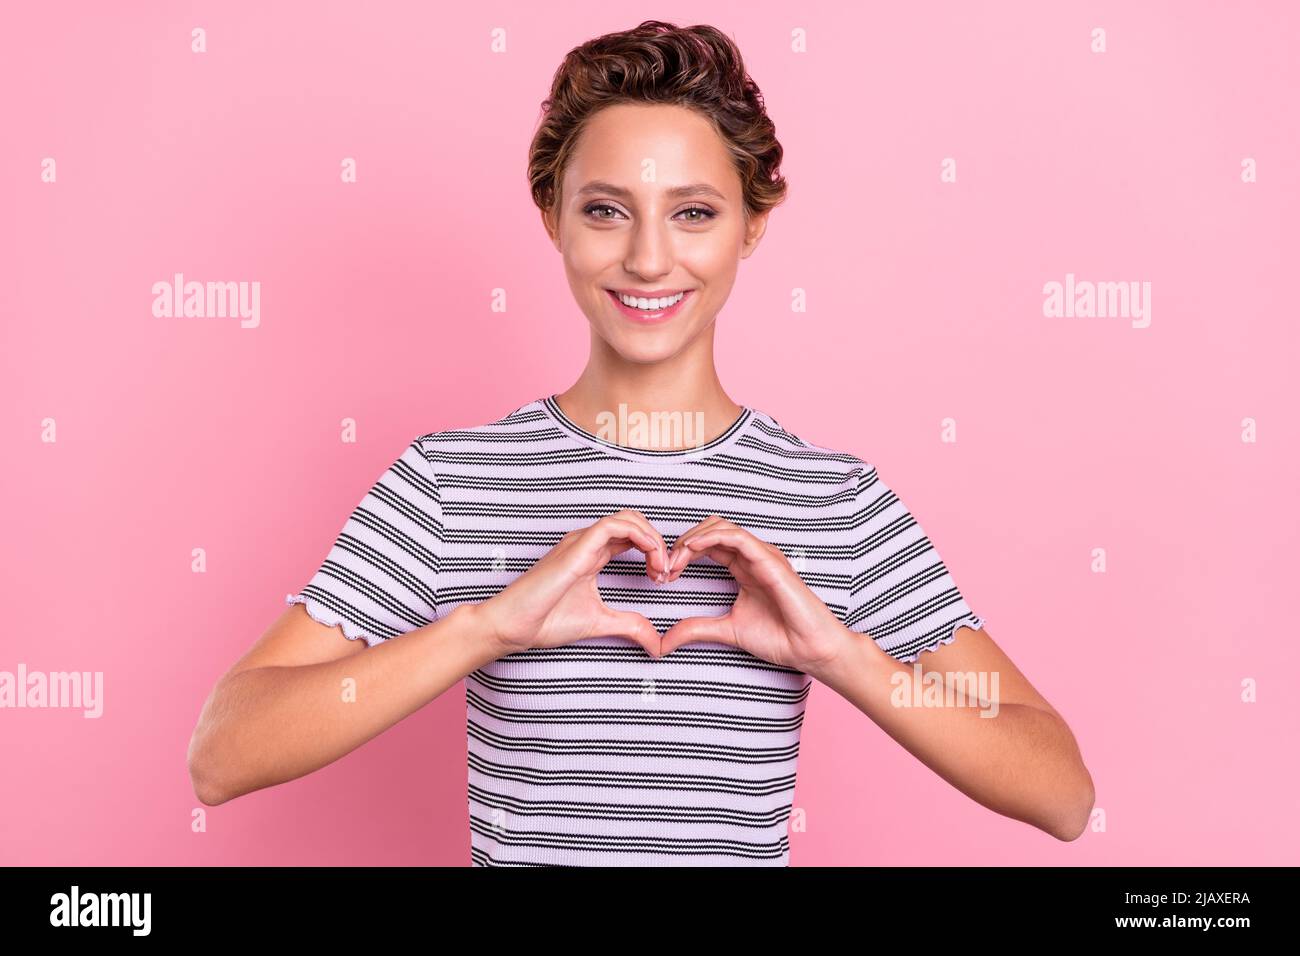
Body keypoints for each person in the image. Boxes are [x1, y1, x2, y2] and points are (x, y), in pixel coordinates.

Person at [187, 19, 1094, 866]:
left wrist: (844, 659)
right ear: (553, 218)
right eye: (606, 210)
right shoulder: (450, 482)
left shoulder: (835, 500)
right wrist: (486, 627)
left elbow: (1059, 792)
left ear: (753, 224)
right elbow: (222, 755)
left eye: (694, 212)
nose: (651, 260)